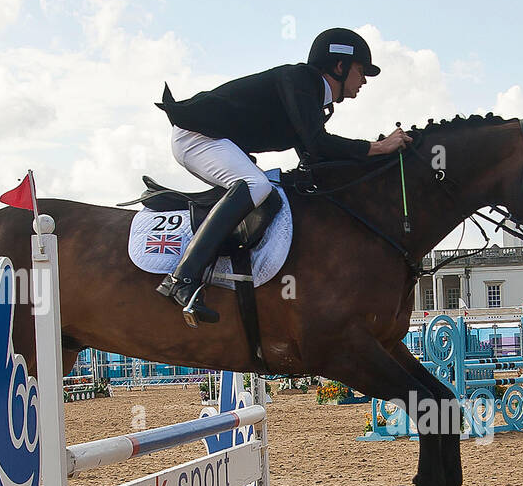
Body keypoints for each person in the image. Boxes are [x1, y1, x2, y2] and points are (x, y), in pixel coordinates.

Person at [154, 27, 412, 322]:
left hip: (212, 139)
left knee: (271, 195)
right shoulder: (302, 81)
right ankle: (183, 278)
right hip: (197, 137)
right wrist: (378, 147)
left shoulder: (314, 96)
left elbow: (313, 158)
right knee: (256, 184)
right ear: (339, 67)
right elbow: (319, 144)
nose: (364, 80)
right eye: (360, 70)